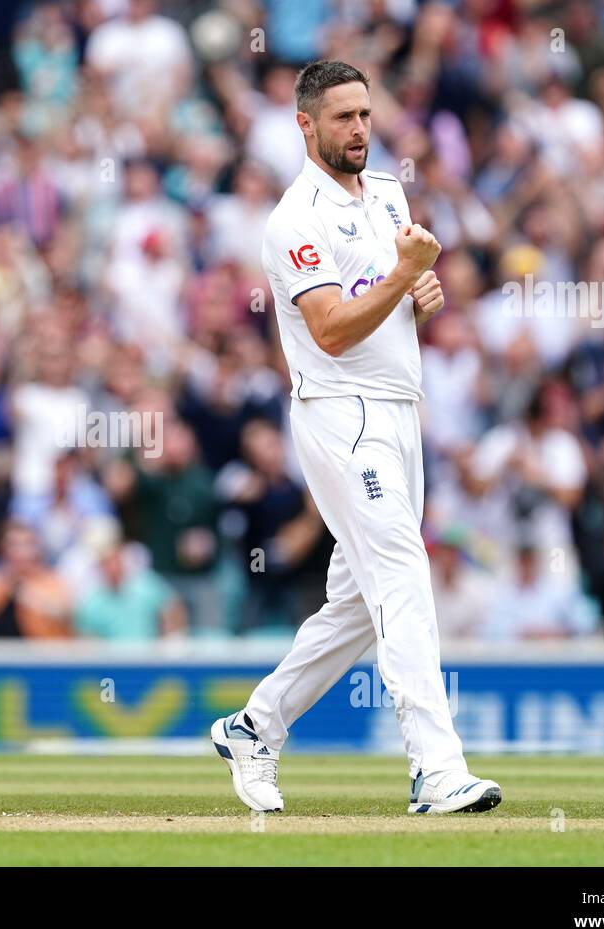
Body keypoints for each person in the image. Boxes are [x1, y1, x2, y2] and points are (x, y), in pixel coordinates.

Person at [211, 61, 502, 815]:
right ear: (305, 125)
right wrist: (406, 273)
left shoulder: (386, 193)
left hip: (404, 410)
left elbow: (388, 297)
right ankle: (436, 770)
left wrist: (416, 289)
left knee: (356, 602)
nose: (359, 131)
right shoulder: (292, 220)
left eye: (366, 115)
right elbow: (333, 330)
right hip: (342, 412)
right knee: (404, 572)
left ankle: (255, 726)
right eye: (342, 118)